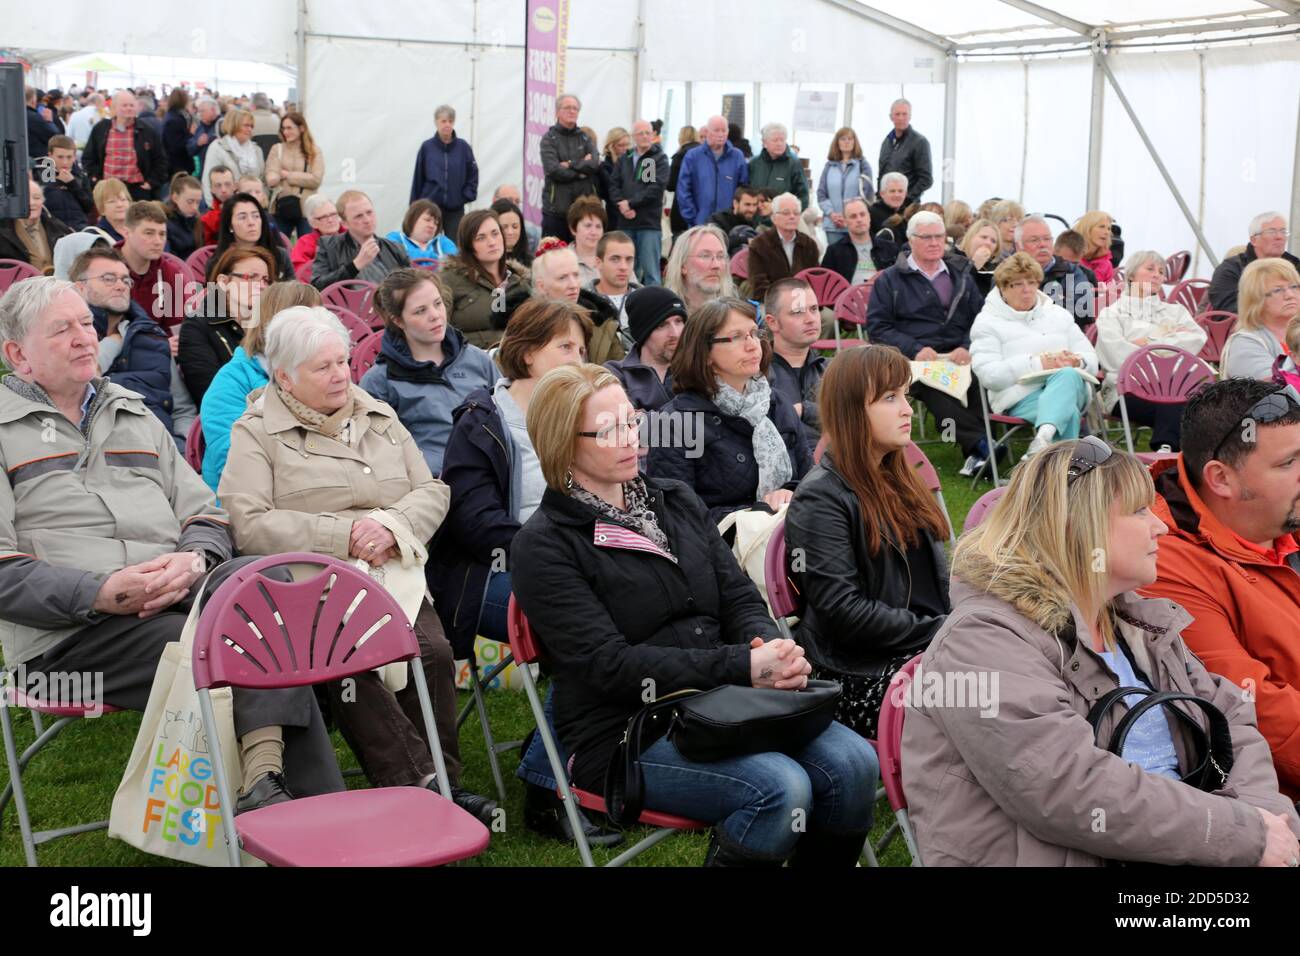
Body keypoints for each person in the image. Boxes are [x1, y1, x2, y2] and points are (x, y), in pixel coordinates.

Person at [0, 277, 345, 813]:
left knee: (270, 582)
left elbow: (206, 511)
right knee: (230, 640)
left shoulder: (131, 411)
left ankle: (267, 785)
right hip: (69, 640)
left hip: (179, 591)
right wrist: (103, 591)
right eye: (62, 330)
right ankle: (307, 811)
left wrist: (195, 560)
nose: (84, 338)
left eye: (87, 324)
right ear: (17, 354)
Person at [512, 362, 877, 866]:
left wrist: (761, 646)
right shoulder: (545, 545)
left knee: (855, 762)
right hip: (626, 728)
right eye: (609, 429)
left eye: (631, 420)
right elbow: (609, 666)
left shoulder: (674, 501)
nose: (630, 439)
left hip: (727, 699)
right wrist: (740, 666)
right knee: (779, 787)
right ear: (560, 444)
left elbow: (738, 596)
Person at [903, 432, 1300, 866]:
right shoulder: (982, 638)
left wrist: (1268, 819)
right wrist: (1241, 834)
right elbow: (1067, 788)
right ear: (1078, 526)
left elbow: (1231, 716)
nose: (1161, 526)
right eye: (1138, 511)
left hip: (1186, 845)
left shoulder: (1133, 621)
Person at [218, 306, 496, 825]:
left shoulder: (377, 416)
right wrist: (342, 534)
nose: (341, 375)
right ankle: (425, 789)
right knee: (353, 659)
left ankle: (442, 781)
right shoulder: (256, 431)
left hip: (394, 567)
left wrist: (391, 526)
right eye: (323, 368)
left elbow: (432, 489)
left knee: (433, 650)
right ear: (284, 377)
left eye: (343, 361)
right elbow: (246, 522)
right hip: (313, 583)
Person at [428, 300, 614, 845]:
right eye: (565, 348)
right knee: (586, 627)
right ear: (529, 354)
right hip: (491, 574)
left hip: (581, 565)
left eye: (582, 348)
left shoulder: (583, 416)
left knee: (638, 606)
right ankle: (546, 787)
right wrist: (557, 554)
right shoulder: (483, 421)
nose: (578, 358)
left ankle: (597, 757)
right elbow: (474, 520)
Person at [1141, 380, 1300, 800]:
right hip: (1271, 803)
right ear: (1221, 479)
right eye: (1288, 463)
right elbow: (1252, 706)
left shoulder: (1282, 522)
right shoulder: (1164, 563)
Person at [787, 345, 949, 739]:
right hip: (858, 671)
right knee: (990, 695)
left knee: (1023, 670)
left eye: (906, 396)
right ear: (854, 411)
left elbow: (938, 582)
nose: (908, 409)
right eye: (890, 398)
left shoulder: (897, 477)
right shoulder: (821, 498)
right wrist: (941, 631)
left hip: (921, 646)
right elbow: (844, 613)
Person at [648, 298, 810, 522]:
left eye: (754, 333)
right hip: (723, 548)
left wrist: (791, 491)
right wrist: (754, 514)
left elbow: (812, 479)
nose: (753, 345)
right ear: (705, 353)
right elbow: (676, 514)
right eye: (736, 337)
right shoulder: (671, 422)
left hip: (790, 535)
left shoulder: (778, 403)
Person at [866, 210, 991, 476]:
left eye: (939, 237)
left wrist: (966, 346)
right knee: (936, 389)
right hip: (914, 359)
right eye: (927, 237)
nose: (934, 243)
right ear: (911, 240)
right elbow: (878, 328)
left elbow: (982, 319)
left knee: (979, 381)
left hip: (958, 354)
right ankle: (981, 445)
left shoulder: (960, 275)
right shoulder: (890, 280)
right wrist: (914, 349)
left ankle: (978, 453)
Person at [360, 268, 497, 477]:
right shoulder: (379, 382)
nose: (435, 316)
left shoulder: (479, 360)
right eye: (420, 311)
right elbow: (377, 453)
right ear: (398, 320)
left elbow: (508, 419)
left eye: (438, 303)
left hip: (492, 473)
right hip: (434, 484)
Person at [970, 252, 1099, 457]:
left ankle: (1041, 443)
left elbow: (1092, 359)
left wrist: (1077, 361)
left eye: (1031, 282)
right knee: (1069, 412)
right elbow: (989, 375)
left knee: (1067, 374)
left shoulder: (1059, 315)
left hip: (1072, 388)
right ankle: (1053, 465)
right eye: (1017, 284)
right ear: (1003, 288)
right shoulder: (987, 323)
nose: (1027, 290)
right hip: (1021, 397)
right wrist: (1038, 364)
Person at [199, 281, 321, 491]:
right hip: (253, 504)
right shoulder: (229, 384)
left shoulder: (323, 373)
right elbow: (236, 469)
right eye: (309, 320)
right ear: (275, 324)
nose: (321, 329)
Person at [74, 245, 194, 446]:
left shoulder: (152, 336)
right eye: (108, 279)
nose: (121, 286)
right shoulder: (68, 337)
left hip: (163, 448)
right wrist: (113, 342)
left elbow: (182, 409)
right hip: (100, 453)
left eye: (125, 280)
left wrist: (182, 446)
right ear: (80, 288)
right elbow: (80, 390)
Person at [1095, 250, 1207, 450]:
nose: (1158, 274)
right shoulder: (1111, 314)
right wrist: (1168, 340)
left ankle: (1168, 456)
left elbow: (1196, 340)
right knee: (1179, 403)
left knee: (1195, 402)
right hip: (1127, 390)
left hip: (1176, 387)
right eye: (1150, 268)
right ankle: (1168, 455)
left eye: (1161, 271)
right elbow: (1116, 357)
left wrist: (1146, 343)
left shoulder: (1176, 311)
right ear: (1131, 275)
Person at [179, 245, 274, 405]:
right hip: (234, 415)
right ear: (224, 282)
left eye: (265, 279)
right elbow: (209, 391)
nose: (262, 285)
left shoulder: (272, 323)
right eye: (251, 277)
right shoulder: (197, 326)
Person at [440, 209, 531, 348]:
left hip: (516, 360)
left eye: (495, 234)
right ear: (468, 245)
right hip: (470, 362)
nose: (492, 242)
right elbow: (439, 333)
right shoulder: (449, 281)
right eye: (481, 237)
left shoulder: (519, 281)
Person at [532, 240, 625, 366]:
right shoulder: (525, 327)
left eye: (576, 275)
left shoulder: (602, 322)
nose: (573, 285)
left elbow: (620, 373)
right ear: (541, 286)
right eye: (562, 278)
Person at [603, 285, 686, 412]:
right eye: (662, 325)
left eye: (679, 321)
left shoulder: (698, 369)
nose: (675, 333)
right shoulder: (616, 375)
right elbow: (626, 425)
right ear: (643, 333)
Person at [764, 278, 826, 440]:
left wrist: (804, 410)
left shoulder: (834, 370)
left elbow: (852, 419)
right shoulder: (757, 372)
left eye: (814, 309)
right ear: (773, 323)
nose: (811, 319)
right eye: (798, 312)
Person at [608, 119, 668, 287]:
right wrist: (621, 204)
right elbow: (613, 184)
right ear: (633, 136)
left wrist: (631, 204)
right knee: (625, 272)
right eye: (640, 133)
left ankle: (654, 309)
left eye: (648, 133)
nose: (644, 136)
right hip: (625, 222)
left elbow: (653, 189)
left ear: (653, 135)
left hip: (648, 223)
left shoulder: (657, 158)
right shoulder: (625, 158)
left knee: (651, 273)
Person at [1220, 258, 1300, 381]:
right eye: (1277, 290)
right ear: (1255, 299)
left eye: (1294, 286)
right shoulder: (1244, 343)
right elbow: (1279, 387)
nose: (1290, 295)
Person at [311, 190, 409, 289]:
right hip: (347, 303)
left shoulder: (395, 248)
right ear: (344, 223)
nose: (367, 220)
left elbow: (411, 285)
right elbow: (317, 285)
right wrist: (354, 266)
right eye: (358, 216)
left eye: (369, 212)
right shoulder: (329, 246)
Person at [115, 200, 188, 333]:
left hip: (160, 349)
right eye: (149, 233)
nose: (158, 242)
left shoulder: (171, 274)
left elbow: (176, 331)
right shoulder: (104, 271)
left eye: (162, 234)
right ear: (126, 233)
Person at [80, 90, 167, 201]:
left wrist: (151, 183)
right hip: (108, 188)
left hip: (137, 190)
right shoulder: (101, 128)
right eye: (124, 105)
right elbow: (88, 157)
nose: (129, 108)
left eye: (131, 105)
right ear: (114, 108)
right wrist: (95, 177)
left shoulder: (147, 131)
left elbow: (161, 160)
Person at [409, 105, 478, 242]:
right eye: (443, 121)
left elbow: (473, 174)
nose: (447, 124)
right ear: (436, 122)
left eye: (450, 121)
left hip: (455, 210)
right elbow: (418, 178)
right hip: (430, 208)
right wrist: (414, 207)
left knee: (455, 247)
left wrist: (465, 196)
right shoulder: (427, 148)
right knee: (428, 244)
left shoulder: (463, 147)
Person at [1209, 212, 1300, 314]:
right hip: (1251, 327)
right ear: (1254, 240)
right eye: (1272, 232)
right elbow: (1228, 312)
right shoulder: (1230, 270)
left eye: (1283, 231)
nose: (1280, 237)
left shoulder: (1295, 267)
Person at [1015, 215, 1095, 328]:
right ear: (1019, 246)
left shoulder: (1071, 272)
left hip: (1063, 338)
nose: (1042, 244)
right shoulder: (1007, 273)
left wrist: (1036, 303)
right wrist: (1059, 301)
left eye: (1047, 239)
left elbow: (1084, 310)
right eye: (1034, 240)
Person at [539, 94, 599, 242]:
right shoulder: (549, 138)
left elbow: (594, 164)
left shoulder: (585, 137)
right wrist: (581, 171)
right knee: (554, 258)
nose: (572, 111)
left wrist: (571, 164)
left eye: (575, 108)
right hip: (557, 212)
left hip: (583, 211)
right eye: (567, 108)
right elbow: (554, 171)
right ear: (557, 112)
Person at [676, 116, 750, 229]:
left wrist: (736, 216)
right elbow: (683, 189)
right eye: (716, 130)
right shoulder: (693, 156)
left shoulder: (737, 156)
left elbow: (743, 189)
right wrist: (693, 218)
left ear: (728, 132)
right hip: (699, 224)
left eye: (724, 130)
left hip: (728, 224)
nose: (720, 134)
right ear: (707, 132)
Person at [745, 193, 820, 300]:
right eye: (786, 213)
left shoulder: (809, 244)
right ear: (774, 218)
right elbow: (758, 285)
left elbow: (815, 278)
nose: (792, 217)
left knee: (831, 316)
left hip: (804, 301)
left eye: (796, 213)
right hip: (771, 302)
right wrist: (784, 302)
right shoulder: (759, 245)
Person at [207, 192, 293, 282]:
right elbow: (214, 296)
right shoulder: (218, 262)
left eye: (256, 216)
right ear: (230, 225)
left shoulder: (280, 255)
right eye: (242, 217)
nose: (251, 222)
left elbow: (295, 293)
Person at [265, 111, 324, 240]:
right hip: (282, 207)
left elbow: (316, 179)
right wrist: (274, 176)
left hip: (307, 209)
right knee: (279, 248)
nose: (285, 132)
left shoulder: (314, 151)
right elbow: (271, 175)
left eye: (289, 128)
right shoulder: (277, 149)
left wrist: (288, 175)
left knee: (308, 249)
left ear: (301, 128)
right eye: (283, 128)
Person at [816, 127, 873, 248]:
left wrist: (848, 216)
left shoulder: (863, 165)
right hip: (832, 224)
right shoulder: (829, 166)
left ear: (854, 142)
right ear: (837, 142)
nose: (846, 142)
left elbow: (866, 194)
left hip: (854, 225)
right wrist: (832, 214)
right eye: (843, 139)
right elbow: (821, 194)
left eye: (850, 139)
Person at [0, 182, 71, 275]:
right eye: (24, 198)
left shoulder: (58, 227)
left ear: (42, 201)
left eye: (36, 198)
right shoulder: (3, 232)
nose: (31, 203)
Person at [663, 223, 735, 315]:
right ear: (682, 265)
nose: (716, 265)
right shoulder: (666, 316)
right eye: (705, 256)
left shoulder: (736, 316)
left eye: (720, 256)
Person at [201, 109, 264, 205]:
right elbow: (208, 181)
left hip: (254, 205)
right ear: (234, 125)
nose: (250, 129)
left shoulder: (257, 149)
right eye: (246, 125)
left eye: (251, 126)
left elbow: (262, 179)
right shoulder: (218, 147)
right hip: (226, 206)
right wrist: (213, 207)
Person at [877, 99, 932, 206]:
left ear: (910, 116)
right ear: (891, 117)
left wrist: (906, 199)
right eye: (897, 114)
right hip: (885, 206)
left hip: (908, 207)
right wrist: (880, 197)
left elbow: (926, 179)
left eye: (904, 114)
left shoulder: (919, 142)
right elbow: (882, 174)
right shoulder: (887, 142)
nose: (901, 118)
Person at [747, 123, 810, 212]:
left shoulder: (793, 163)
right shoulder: (754, 163)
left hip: (781, 220)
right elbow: (746, 191)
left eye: (782, 140)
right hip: (755, 218)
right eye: (775, 140)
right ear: (765, 143)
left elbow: (803, 196)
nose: (779, 144)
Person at [589, 231, 640, 337]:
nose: (623, 267)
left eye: (629, 259)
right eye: (615, 259)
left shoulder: (647, 300)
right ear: (599, 263)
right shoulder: (583, 302)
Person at [42, 135, 95, 232]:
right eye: (60, 157)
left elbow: (89, 206)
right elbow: (44, 206)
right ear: (50, 156)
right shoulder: (41, 176)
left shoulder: (81, 176)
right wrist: (57, 183)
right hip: (53, 229)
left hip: (79, 227)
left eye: (69, 157)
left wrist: (72, 183)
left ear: (74, 157)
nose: (65, 162)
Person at [820, 196, 876, 287]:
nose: (859, 220)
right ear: (845, 221)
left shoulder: (888, 248)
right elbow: (825, 286)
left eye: (862, 214)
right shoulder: (834, 252)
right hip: (847, 300)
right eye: (853, 216)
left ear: (869, 217)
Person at [387, 200, 458, 262]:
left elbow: (454, 263)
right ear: (412, 219)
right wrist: (435, 258)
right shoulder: (396, 238)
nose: (432, 226)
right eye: (427, 220)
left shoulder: (442, 242)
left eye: (436, 223)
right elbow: (392, 258)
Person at [291, 194, 341, 279]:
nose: (330, 220)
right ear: (313, 223)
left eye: (333, 214)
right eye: (324, 217)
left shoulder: (351, 235)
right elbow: (301, 272)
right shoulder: (305, 243)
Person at [667, 124, 700, 239]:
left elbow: (671, 185)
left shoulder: (680, 155)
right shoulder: (703, 155)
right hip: (701, 206)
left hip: (681, 208)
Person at [953, 218, 1000, 295]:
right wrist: (974, 266)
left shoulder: (994, 271)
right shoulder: (953, 259)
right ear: (970, 237)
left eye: (993, 241)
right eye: (984, 237)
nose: (988, 243)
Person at [162, 172, 202, 261]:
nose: (195, 207)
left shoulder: (197, 221)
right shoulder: (164, 223)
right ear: (175, 198)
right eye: (190, 201)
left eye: (198, 202)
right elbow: (168, 260)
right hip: (176, 272)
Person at [567, 195, 606, 284]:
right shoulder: (560, 260)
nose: (594, 232)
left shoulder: (613, 257)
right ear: (573, 229)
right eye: (588, 226)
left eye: (598, 226)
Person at [492, 183, 541, 253]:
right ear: (494, 200)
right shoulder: (481, 226)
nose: (513, 204)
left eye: (517, 201)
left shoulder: (532, 236)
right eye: (509, 200)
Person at [597, 127, 630, 228]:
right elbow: (613, 190)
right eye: (621, 145)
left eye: (627, 145)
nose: (625, 149)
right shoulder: (605, 166)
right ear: (612, 146)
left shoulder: (632, 161)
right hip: (615, 215)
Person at [1074, 210, 1115, 285]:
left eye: (1109, 228)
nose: (1106, 232)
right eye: (1101, 227)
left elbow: (1108, 295)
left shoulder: (1107, 264)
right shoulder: (1070, 257)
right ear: (1087, 229)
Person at [199, 165, 236, 246]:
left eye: (227, 184)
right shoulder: (206, 219)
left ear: (234, 186)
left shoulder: (246, 209)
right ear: (212, 189)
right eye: (218, 185)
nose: (223, 190)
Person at [490, 198, 532, 267]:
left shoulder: (532, 263)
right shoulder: (486, 263)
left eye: (515, 226)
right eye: (504, 227)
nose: (510, 232)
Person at [186, 97, 221, 179]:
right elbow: (189, 149)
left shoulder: (222, 126)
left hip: (218, 172)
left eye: (202, 111)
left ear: (213, 110)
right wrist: (198, 144)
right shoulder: (200, 127)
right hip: (202, 173)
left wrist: (209, 141)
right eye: (199, 112)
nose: (200, 114)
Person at [161, 89, 192, 180]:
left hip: (173, 161)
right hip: (178, 163)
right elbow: (176, 145)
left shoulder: (171, 115)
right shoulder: (176, 119)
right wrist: (191, 135)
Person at [868, 171, 908, 242]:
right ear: (882, 193)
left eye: (900, 191)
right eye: (892, 191)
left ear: (905, 193)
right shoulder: (870, 214)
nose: (897, 195)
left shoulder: (908, 215)